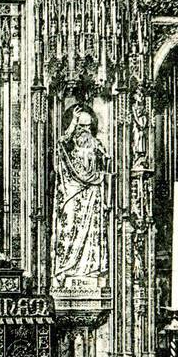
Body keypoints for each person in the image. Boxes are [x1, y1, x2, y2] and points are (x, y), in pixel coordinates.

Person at [51, 105, 109, 286]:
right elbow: (59, 148)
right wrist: (71, 126)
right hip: (71, 194)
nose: (84, 130)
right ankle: (65, 269)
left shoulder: (97, 145)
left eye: (87, 126)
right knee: (69, 231)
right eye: (80, 125)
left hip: (92, 195)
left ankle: (90, 272)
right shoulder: (67, 145)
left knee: (91, 235)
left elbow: (104, 168)